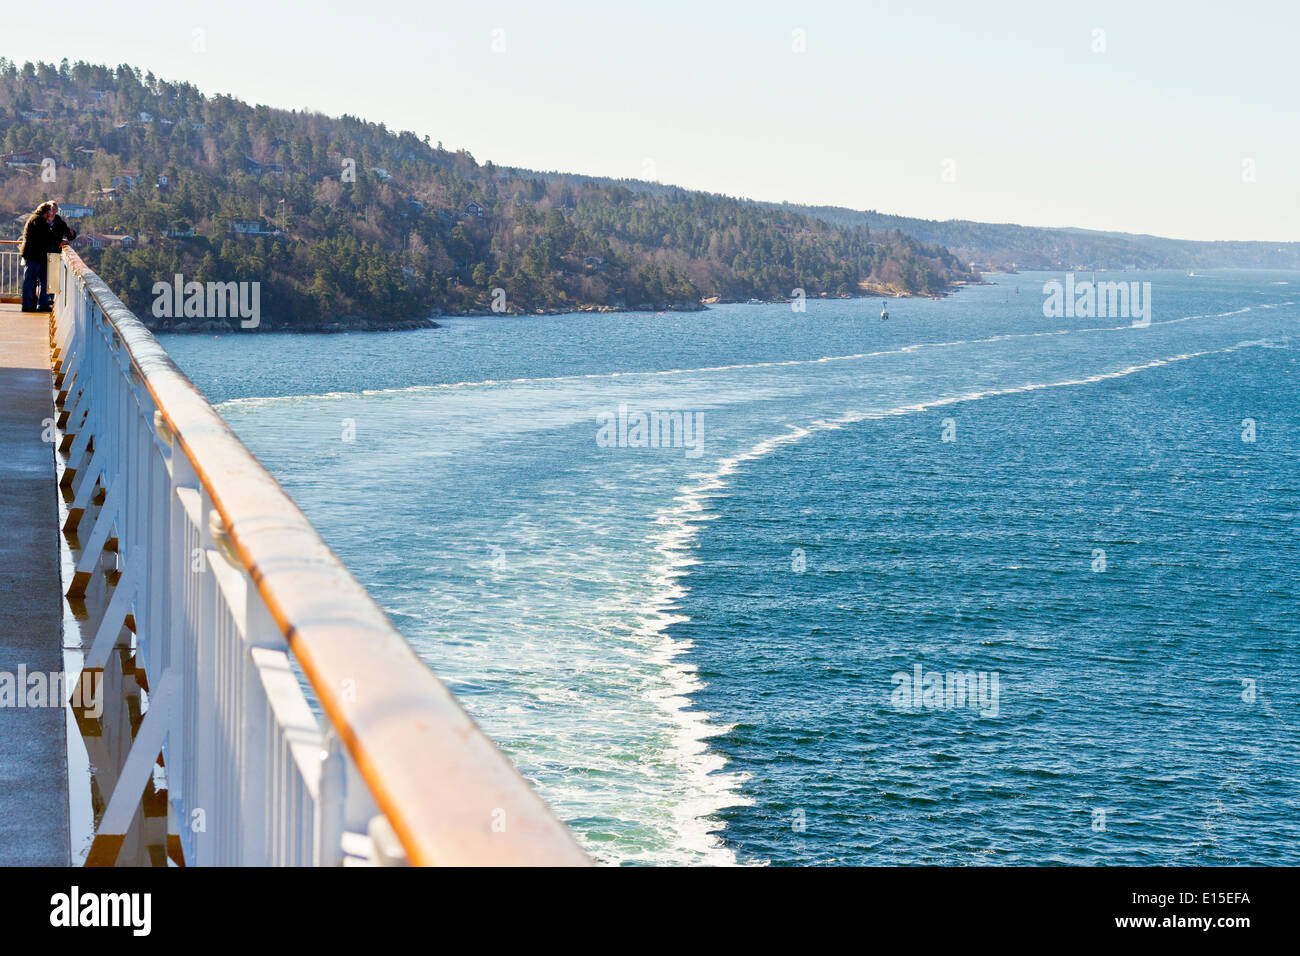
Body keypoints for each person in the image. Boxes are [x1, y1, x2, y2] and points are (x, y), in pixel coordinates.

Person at [19, 201, 55, 313]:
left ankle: (37, 303)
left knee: (39, 280)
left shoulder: (36, 219)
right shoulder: (38, 220)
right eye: (50, 211)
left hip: (36, 255)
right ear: (46, 212)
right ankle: (29, 304)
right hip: (34, 255)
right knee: (30, 280)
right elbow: (47, 237)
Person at [42, 202, 78, 308]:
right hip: (42, 253)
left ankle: (49, 301)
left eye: (54, 209)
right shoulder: (42, 221)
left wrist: (72, 234)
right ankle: (41, 300)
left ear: (57, 210)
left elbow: (70, 236)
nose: (52, 211)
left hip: (54, 254)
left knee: (52, 279)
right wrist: (58, 242)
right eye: (51, 209)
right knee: (42, 278)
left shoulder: (60, 223)